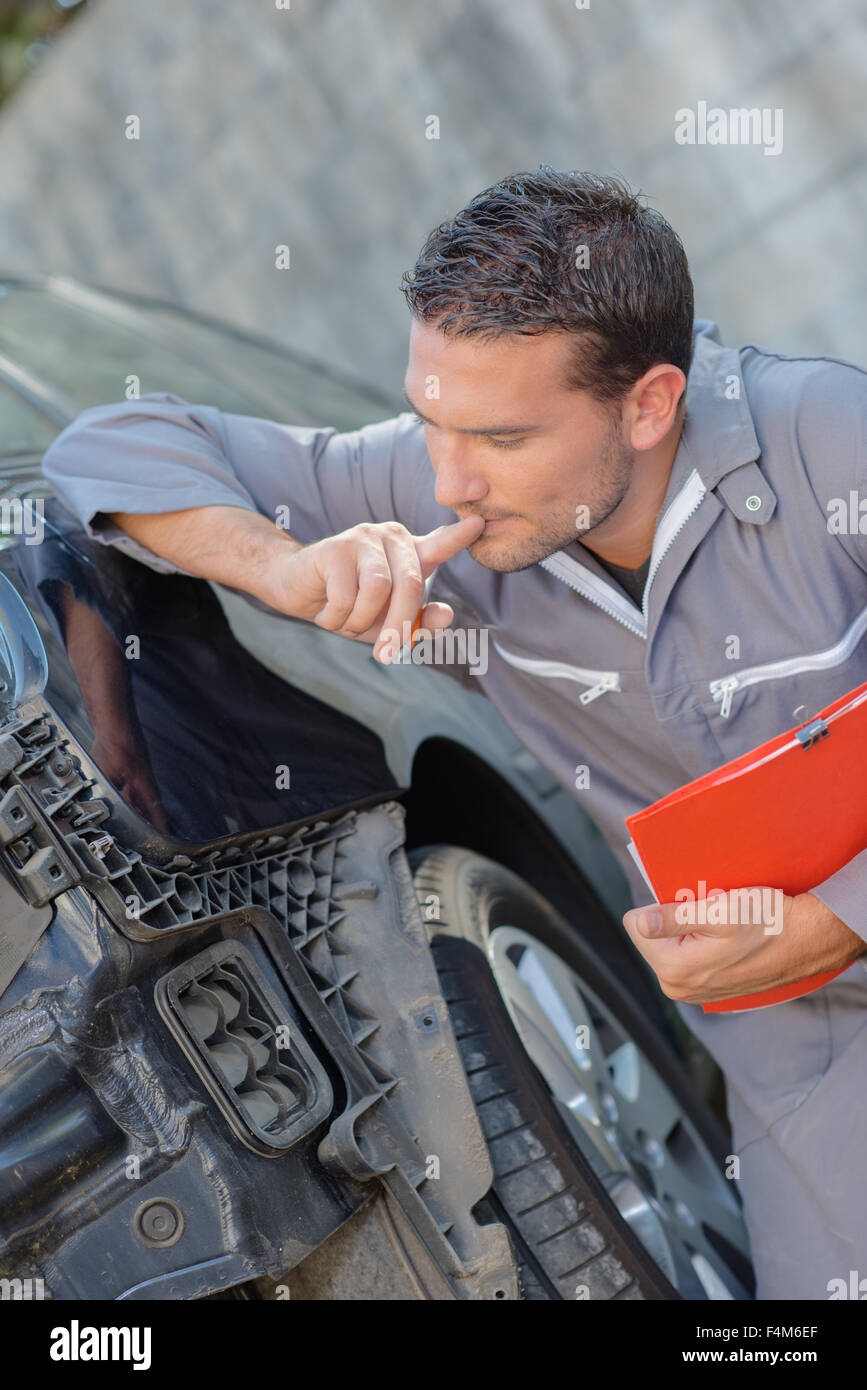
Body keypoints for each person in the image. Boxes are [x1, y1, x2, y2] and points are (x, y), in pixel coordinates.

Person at [41, 167, 867, 1301]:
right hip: (799, 1052)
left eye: (500, 437)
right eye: (429, 422)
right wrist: (283, 564)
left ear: (649, 402)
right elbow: (111, 442)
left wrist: (841, 920)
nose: (447, 482)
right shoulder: (438, 488)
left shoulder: (834, 440)